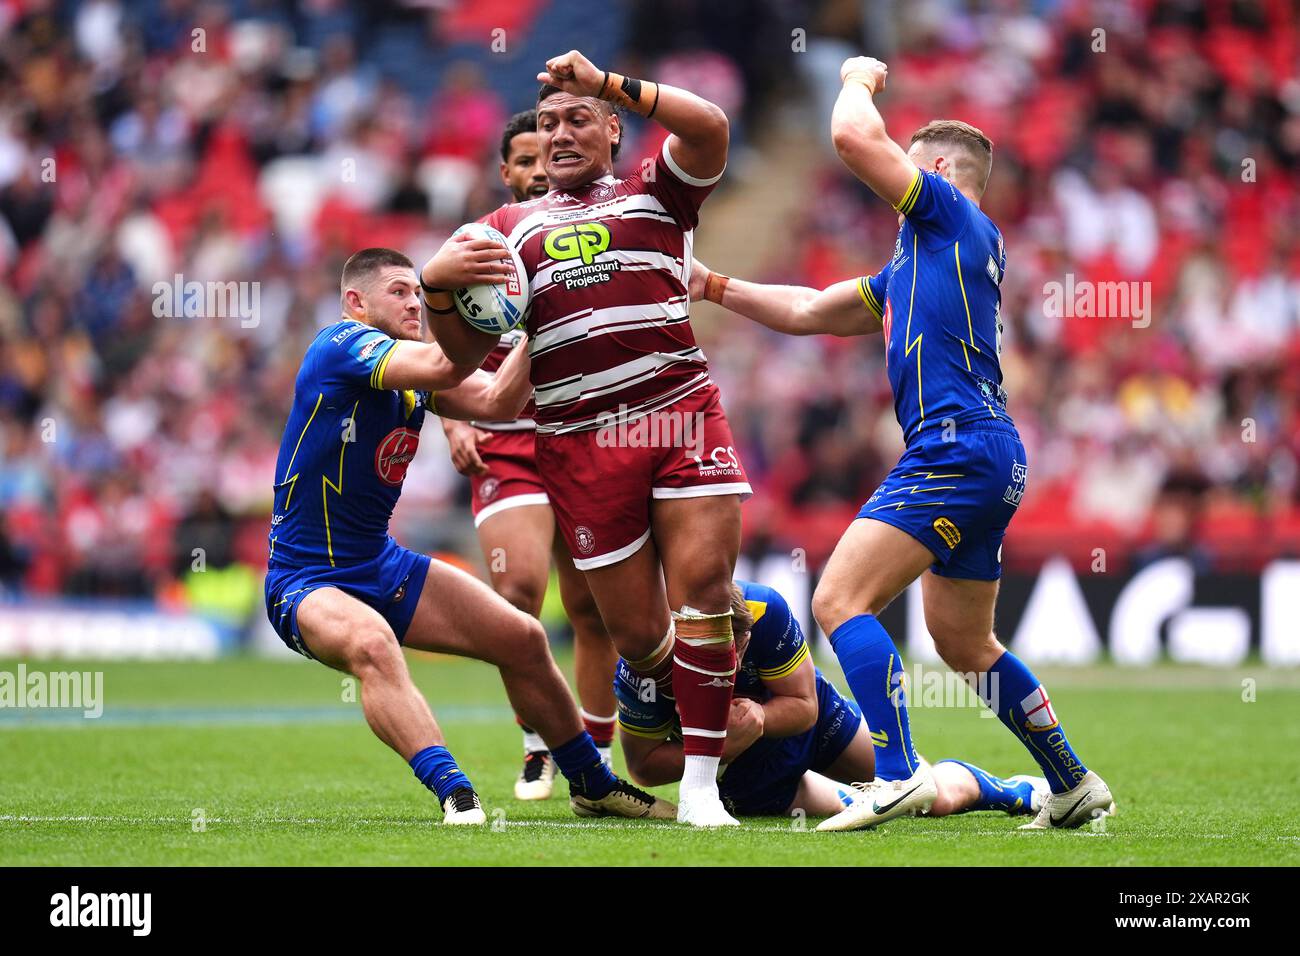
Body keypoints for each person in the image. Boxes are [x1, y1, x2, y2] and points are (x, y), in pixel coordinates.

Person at [687, 55, 1112, 831]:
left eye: (908, 169)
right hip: (988, 452)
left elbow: (851, 135)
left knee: (838, 600)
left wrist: (857, 76)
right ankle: (1072, 782)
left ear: (941, 171)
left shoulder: (948, 214)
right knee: (965, 642)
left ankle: (897, 773)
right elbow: (811, 310)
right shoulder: (915, 261)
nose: (893, 190)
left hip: (951, 448)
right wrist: (715, 287)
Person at [422, 50, 748, 827]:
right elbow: (460, 359)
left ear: (612, 129)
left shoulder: (655, 192)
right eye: (546, 124)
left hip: (680, 417)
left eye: (577, 120)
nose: (559, 135)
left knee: (703, 596)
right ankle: (725, 699)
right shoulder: (502, 232)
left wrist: (607, 80)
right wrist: (438, 287)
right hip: (580, 447)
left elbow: (711, 129)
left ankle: (701, 785)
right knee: (636, 636)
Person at [263, 246, 673, 825]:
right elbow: (444, 367)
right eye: (400, 292)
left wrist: (545, 321)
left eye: (417, 291)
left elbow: (498, 400)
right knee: (372, 645)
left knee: (524, 638)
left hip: (379, 565)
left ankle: (591, 783)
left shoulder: (414, 370)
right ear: (355, 303)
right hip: (305, 580)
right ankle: (455, 789)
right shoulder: (340, 346)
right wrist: (462, 300)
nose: (414, 303)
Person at [441, 109, 620, 801]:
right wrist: (453, 421)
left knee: (594, 609)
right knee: (517, 593)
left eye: (545, 157)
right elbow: (440, 353)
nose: (539, 169)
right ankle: (539, 743)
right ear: (505, 170)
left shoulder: (594, 231)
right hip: (507, 441)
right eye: (523, 160)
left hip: (582, 432)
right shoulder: (476, 245)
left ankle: (594, 760)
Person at [616, 581, 1047, 820]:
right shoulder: (644, 660)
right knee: (866, 816)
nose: (728, 664)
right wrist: (716, 749)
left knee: (929, 799)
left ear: (746, 634)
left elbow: (803, 707)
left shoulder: (765, 611)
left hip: (811, 723)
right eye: (713, 656)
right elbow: (642, 766)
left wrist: (760, 720)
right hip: (744, 771)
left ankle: (1012, 789)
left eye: (738, 649)